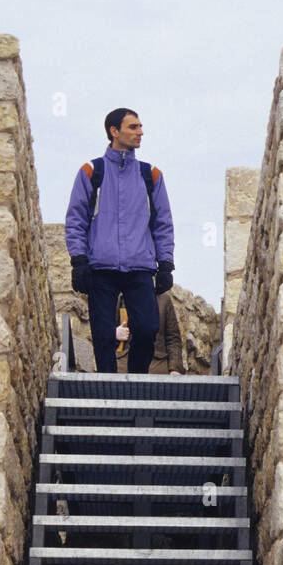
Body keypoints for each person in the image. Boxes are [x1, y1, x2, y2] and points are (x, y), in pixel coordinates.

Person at [65, 108, 175, 373]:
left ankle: (136, 381)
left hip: (140, 266)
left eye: (140, 127)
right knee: (103, 335)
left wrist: (166, 264)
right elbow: (76, 218)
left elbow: (163, 223)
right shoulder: (91, 171)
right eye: (133, 127)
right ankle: (108, 386)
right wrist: (78, 260)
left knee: (148, 328)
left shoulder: (152, 175)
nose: (140, 132)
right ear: (115, 132)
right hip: (100, 266)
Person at [114, 289, 183, 374]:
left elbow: (173, 338)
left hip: (156, 366)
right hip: (123, 367)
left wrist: (175, 369)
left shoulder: (164, 299)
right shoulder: (121, 298)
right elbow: (104, 332)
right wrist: (114, 333)